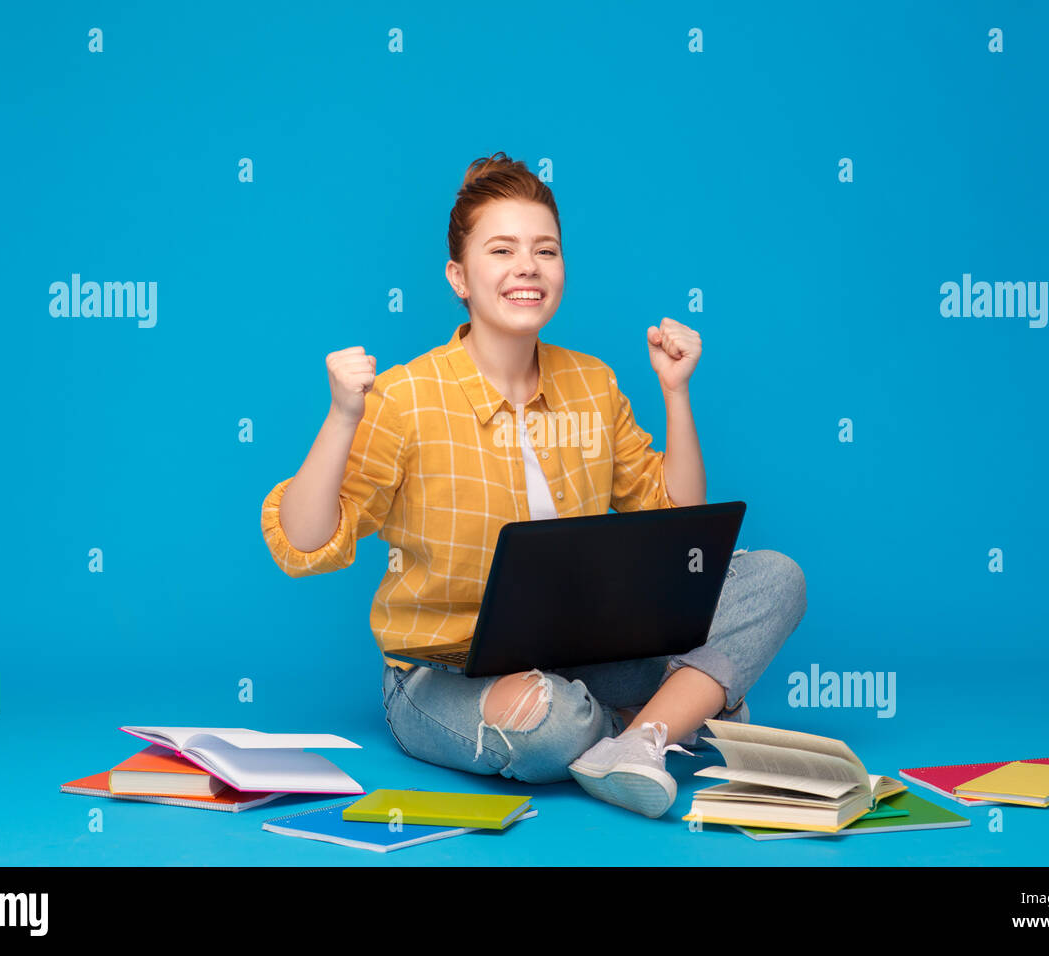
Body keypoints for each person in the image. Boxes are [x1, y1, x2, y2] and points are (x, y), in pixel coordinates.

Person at [261, 152, 806, 818]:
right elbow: (303, 542)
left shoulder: (593, 384)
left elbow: (682, 529)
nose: (528, 266)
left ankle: (640, 737)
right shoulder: (407, 397)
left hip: (586, 654)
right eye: (502, 250)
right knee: (555, 724)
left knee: (775, 577)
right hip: (444, 674)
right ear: (459, 278)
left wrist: (676, 393)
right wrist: (343, 414)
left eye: (545, 249)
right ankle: (677, 711)